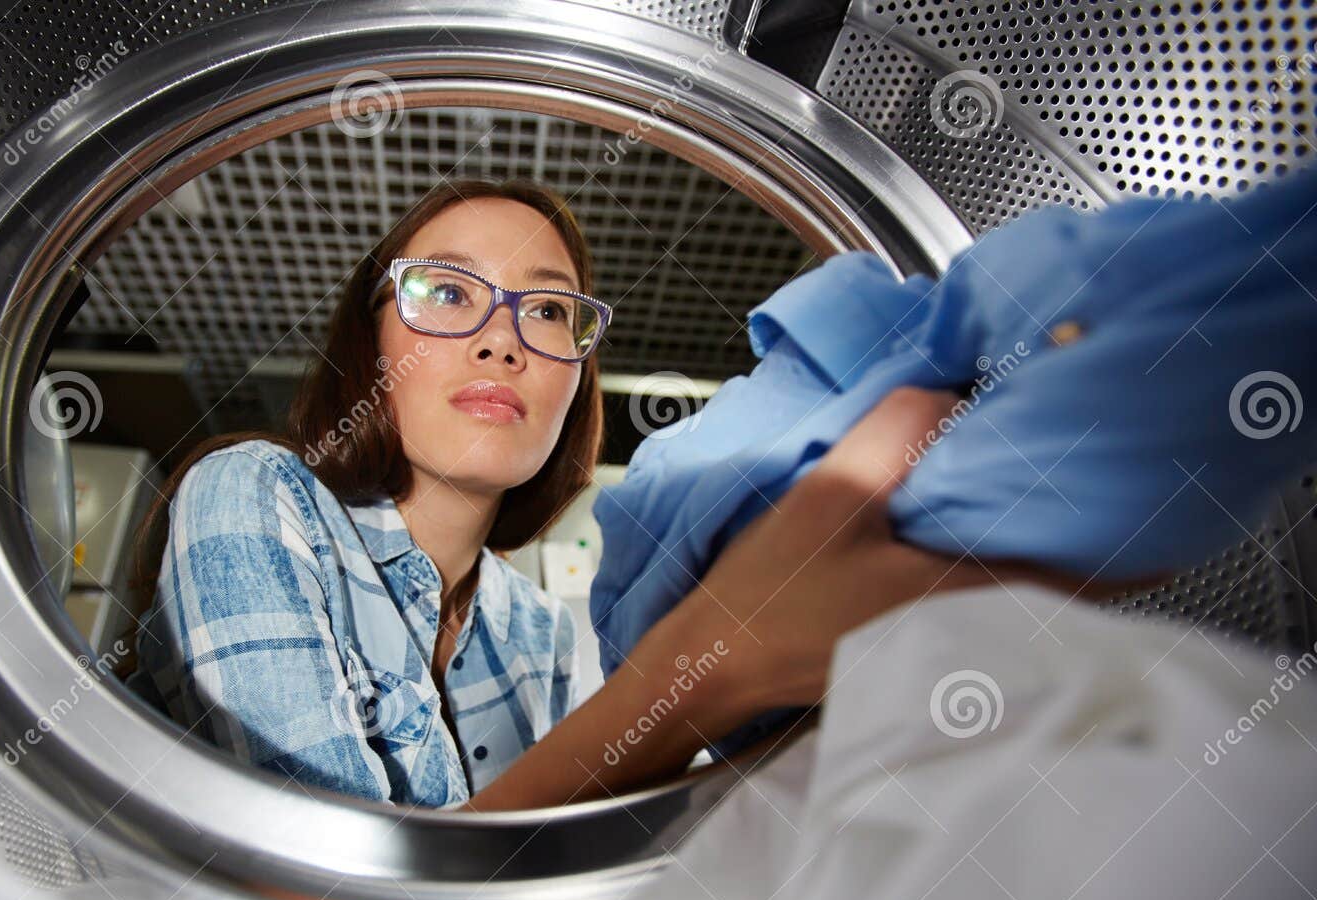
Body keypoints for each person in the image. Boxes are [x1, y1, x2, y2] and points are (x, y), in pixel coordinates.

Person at [120, 176, 1119, 812]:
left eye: (548, 308)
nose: (503, 335)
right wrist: (704, 670)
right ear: (367, 339)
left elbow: (606, 886)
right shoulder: (252, 495)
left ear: (574, 383)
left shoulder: (543, 637)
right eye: (446, 291)